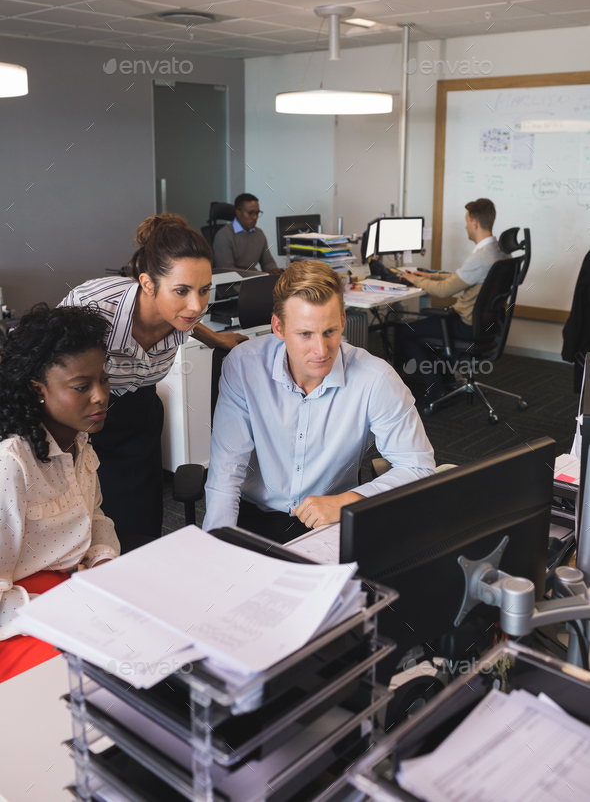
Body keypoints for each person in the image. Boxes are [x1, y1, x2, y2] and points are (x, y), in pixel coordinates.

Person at [203, 260, 435, 542]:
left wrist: (349, 501)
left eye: (330, 331)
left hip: (333, 517)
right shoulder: (244, 365)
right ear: (278, 327)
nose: (321, 350)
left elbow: (419, 467)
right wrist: (214, 545)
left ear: (342, 322)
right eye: (305, 334)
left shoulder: (376, 378)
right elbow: (226, 472)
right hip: (255, 515)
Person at [60, 214, 244, 542]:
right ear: (147, 284)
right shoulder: (95, 306)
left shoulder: (180, 313)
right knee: (80, 524)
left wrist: (215, 339)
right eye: (182, 290)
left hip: (139, 414)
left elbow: (185, 315)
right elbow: (42, 360)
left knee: (139, 525)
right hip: (80, 418)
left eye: (204, 290)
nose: (196, 305)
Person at [0, 304, 120, 683]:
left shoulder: (79, 441)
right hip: (16, 620)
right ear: (39, 391)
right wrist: (65, 607)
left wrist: (104, 565)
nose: (101, 396)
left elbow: (95, 516)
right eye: (81, 387)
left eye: (103, 379)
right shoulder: (11, 464)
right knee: (103, 678)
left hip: (69, 594)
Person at [401, 198, 508, 401]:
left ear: (475, 223)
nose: (466, 226)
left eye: (467, 221)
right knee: (428, 326)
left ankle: (436, 388)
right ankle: (449, 381)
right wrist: (429, 276)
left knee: (407, 331)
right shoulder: (498, 253)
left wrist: (414, 279)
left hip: (467, 326)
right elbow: (461, 278)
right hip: (486, 324)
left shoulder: (480, 258)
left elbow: (443, 291)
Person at [213, 193, 282, 275]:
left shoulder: (259, 233)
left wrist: (273, 271)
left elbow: (267, 262)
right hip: (232, 282)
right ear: (238, 213)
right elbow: (227, 270)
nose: (255, 217)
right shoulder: (224, 235)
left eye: (257, 213)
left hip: (254, 278)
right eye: (251, 213)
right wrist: (259, 274)